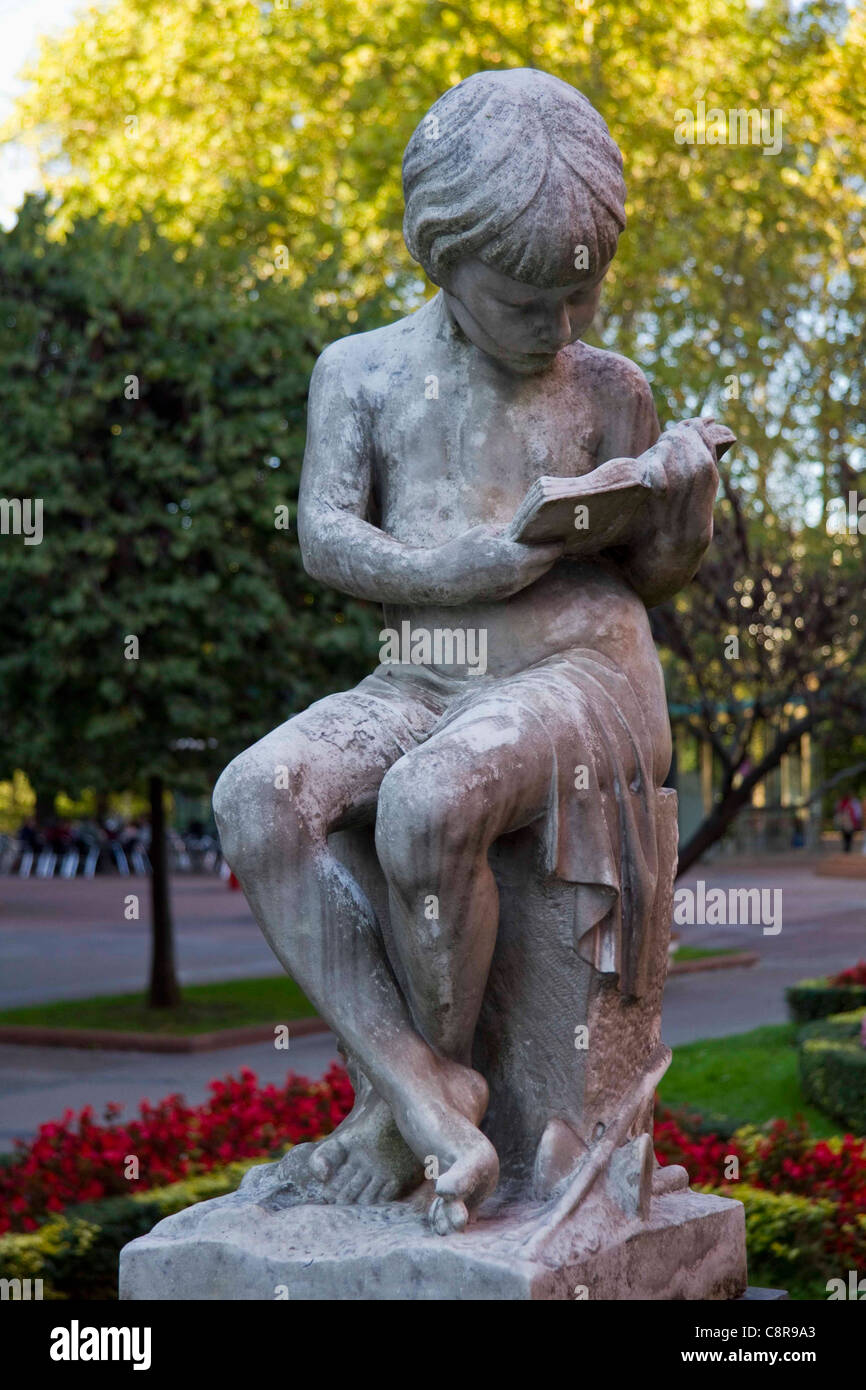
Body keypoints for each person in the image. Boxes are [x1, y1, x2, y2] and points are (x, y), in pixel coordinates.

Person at [213, 69, 727, 1232]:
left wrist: (680, 507)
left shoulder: (609, 387)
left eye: (579, 300)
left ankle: (416, 1117)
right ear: (435, 256)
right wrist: (447, 573)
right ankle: (419, 1090)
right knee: (257, 794)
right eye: (524, 304)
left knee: (429, 802)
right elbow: (325, 535)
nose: (558, 330)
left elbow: (649, 571)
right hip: (419, 668)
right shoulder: (361, 372)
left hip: (579, 677)